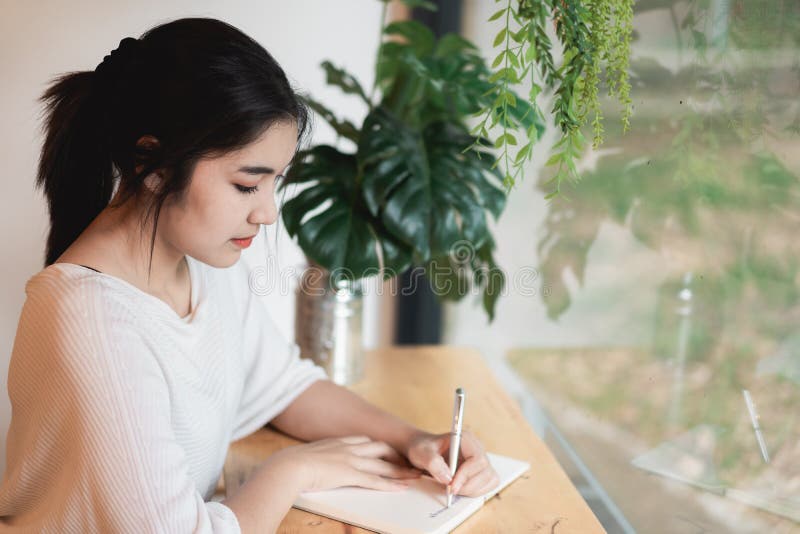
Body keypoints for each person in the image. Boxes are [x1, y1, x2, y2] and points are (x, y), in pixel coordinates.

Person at [0, 17, 499, 533]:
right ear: (153, 164)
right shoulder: (91, 320)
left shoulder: (202, 261)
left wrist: (413, 440)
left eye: (274, 183)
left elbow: (283, 387)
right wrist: (293, 470)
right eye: (246, 185)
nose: (266, 213)